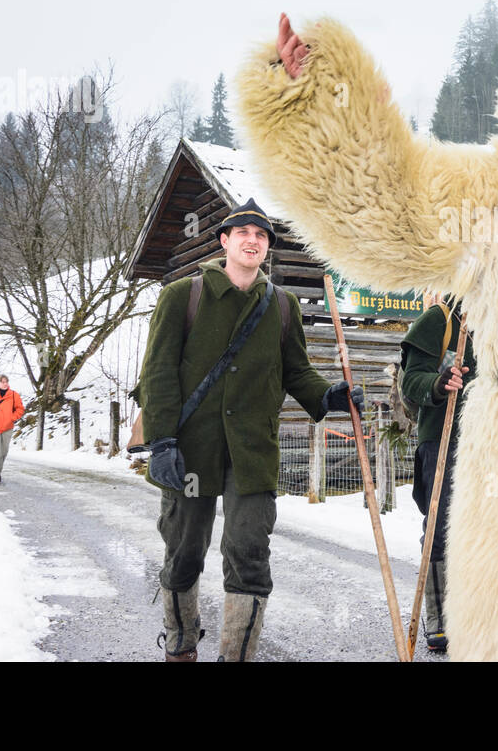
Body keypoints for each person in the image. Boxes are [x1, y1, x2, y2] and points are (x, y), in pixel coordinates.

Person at [135, 197, 363, 662]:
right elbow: (156, 373)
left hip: (252, 452)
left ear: (267, 249)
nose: (252, 241)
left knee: (249, 552)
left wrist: (327, 396)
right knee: (183, 550)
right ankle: (180, 640)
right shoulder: (185, 296)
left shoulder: (281, 306)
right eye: (243, 233)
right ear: (224, 241)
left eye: (261, 236)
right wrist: (161, 443)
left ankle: (237, 655)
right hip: (190, 450)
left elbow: (296, 371)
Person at [399, 298, 475, 654]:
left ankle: (482, 615)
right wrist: (438, 382)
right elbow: (412, 381)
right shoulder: (441, 319)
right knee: (442, 529)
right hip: (443, 441)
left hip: (495, 446)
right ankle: (441, 616)